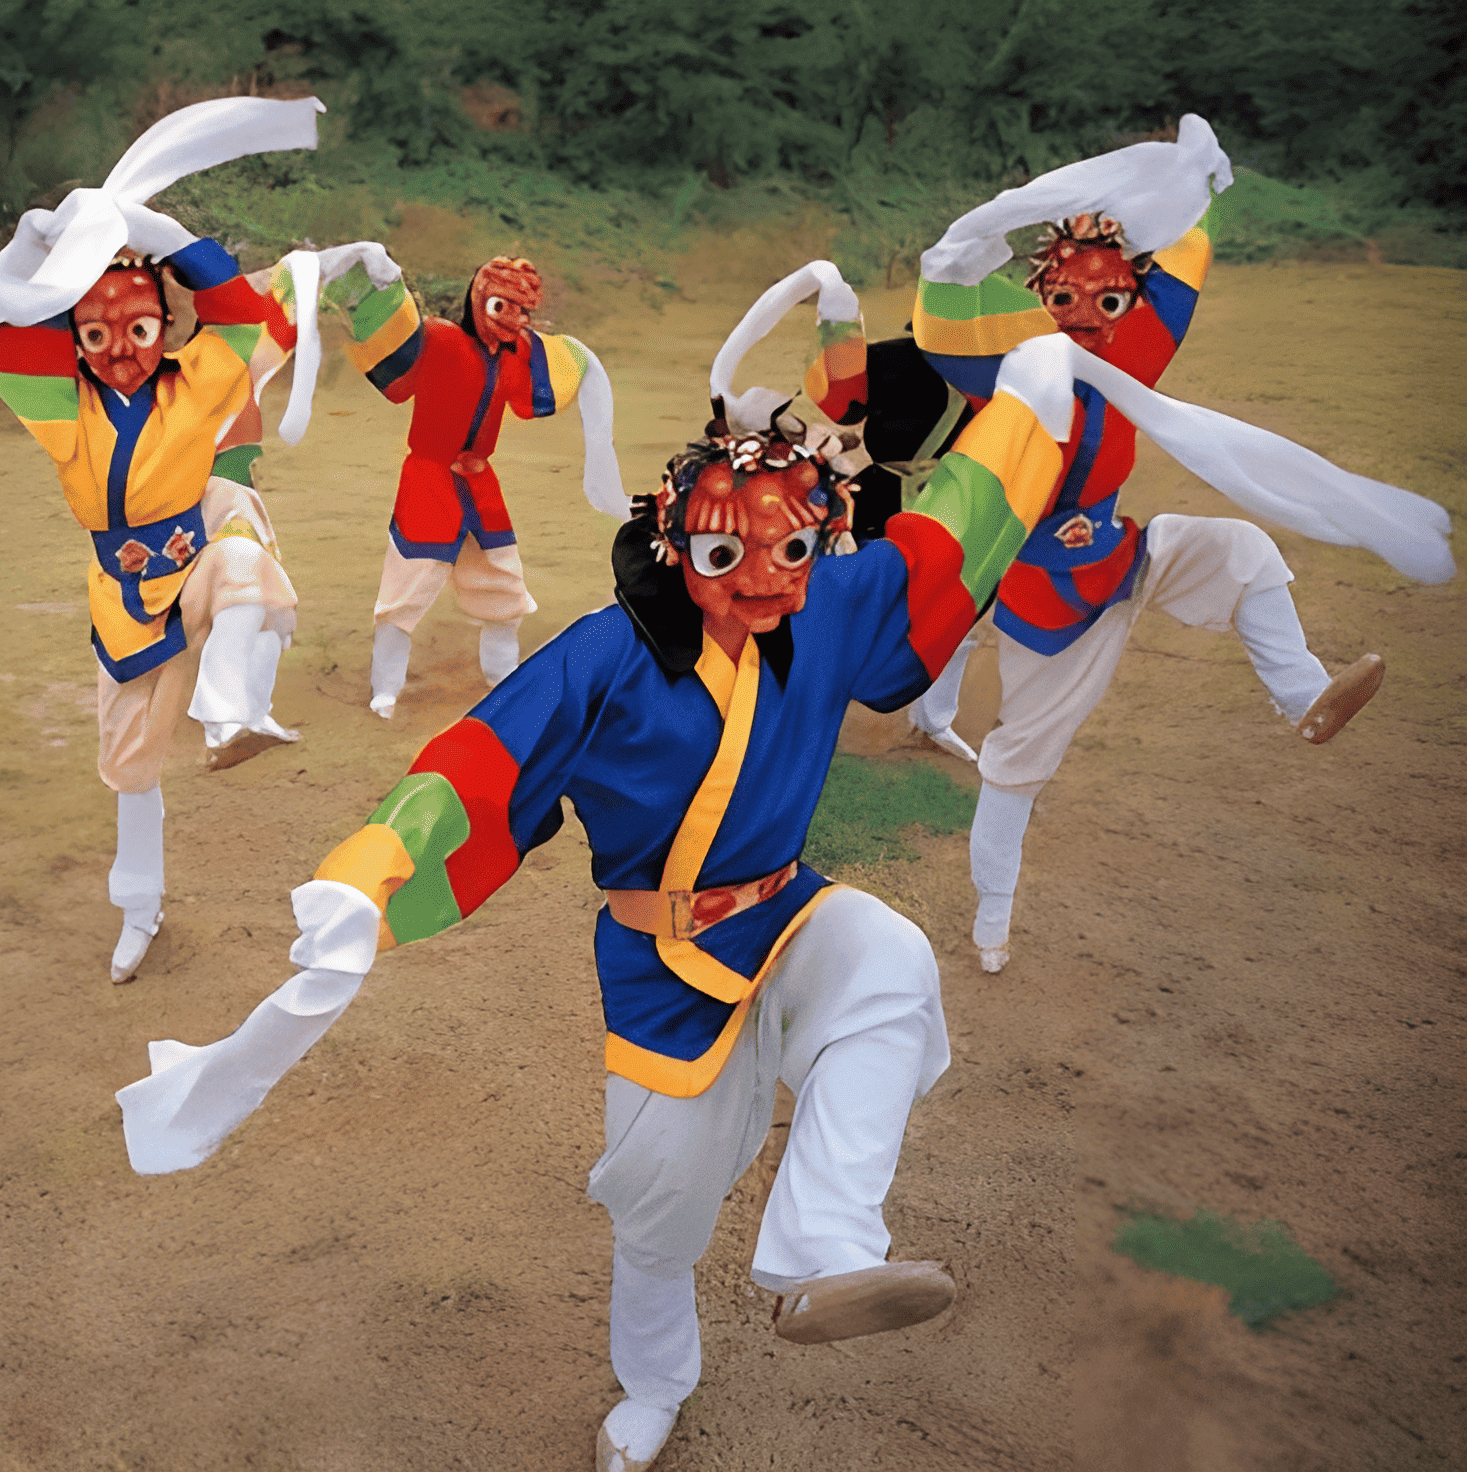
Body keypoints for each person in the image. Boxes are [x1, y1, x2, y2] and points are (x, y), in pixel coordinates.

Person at [115, 256, 1108, 1469]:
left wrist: (1039, 395)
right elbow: (475, 769)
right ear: (673, 544)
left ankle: (825, 1249)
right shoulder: (602, 657)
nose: (762, 583)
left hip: (789, 916)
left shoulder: (832, 604)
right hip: (659, 955)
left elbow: (951, 524)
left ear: (820, 541)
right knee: (656, 1214)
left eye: (792, 554)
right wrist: (366, 877)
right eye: (724, 556)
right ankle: (655, 1380)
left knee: (890, 959)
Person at [815, 117, 1444, 971]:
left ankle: (1303, 701)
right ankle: (991, 921)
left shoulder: (1134, 352)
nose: (1086, 318)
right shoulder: (1002, 368)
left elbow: (1183, 261)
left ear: (1127, 298)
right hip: (1049, 602)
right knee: (1015, 772)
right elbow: (946, 310)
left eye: (1108, 300)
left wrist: (1198, 179)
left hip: (1126, 557)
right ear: (1039, 298)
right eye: (1064, 300)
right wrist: (974, 239)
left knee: (1244, 553)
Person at [0, 96, 345, 982]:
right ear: (75, 343)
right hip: (121, 597)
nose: (120, 348)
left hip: (190, 561)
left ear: (166, 328)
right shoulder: (67, 408)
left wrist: (162, 237)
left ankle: (229, 714)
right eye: (95, 333)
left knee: (242, 560)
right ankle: (141, 908)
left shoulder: (196, 382)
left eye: (139, 327)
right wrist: (37, 255)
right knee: (128, 767)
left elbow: (237, 315)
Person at [321, 252, 627, 716]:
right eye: (504, 308)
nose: (515, 321)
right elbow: (398, 360)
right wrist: (371, 289)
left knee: (504, 582)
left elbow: (533, 394)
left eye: (524, 312)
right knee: (406, 585)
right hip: (428, 477)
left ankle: (501, 678)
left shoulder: (516, 355)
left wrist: (582, 362)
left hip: (480, 483)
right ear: (480, 301)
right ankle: (385, 688)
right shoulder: (441, 338)